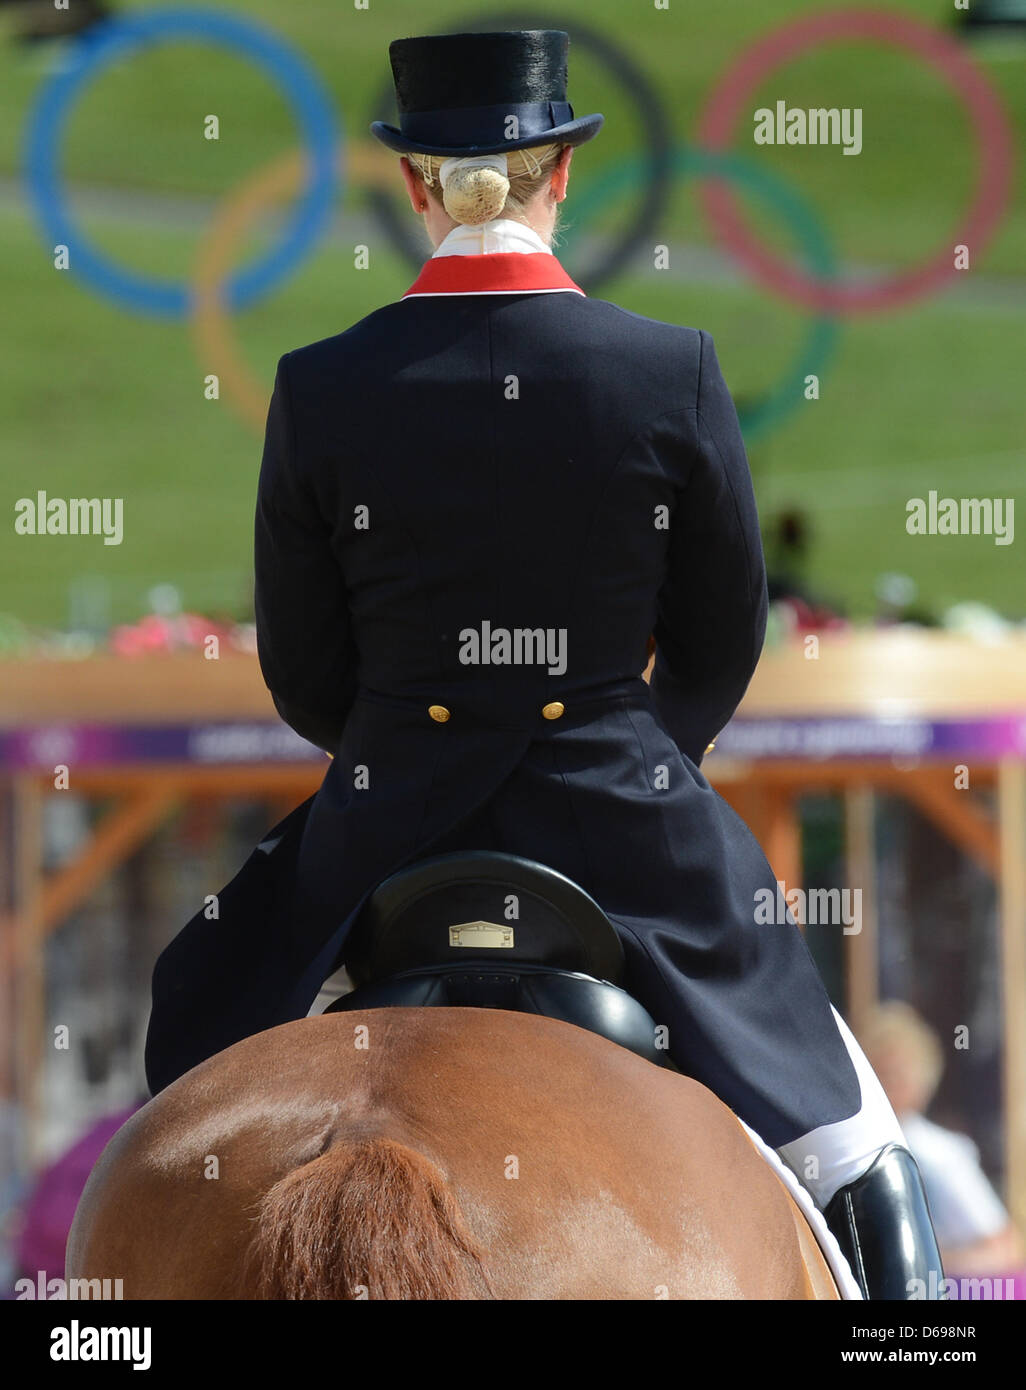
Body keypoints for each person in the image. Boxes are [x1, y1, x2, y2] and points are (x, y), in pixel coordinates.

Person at [145, 28, 943, 1299]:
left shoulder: (320, 385)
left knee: (180, 1082)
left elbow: (303, 675)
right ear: (560, 171)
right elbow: (723, 636)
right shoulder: (666, 370)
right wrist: (637, 757)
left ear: (415, 185)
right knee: (865, 1158)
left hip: (382, 830)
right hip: (628, 823)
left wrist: (408, 746)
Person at [861, 1002, 1025, 1297]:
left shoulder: (938, 1155)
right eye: (878, 1071)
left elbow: (1004, 1248)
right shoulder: (860, 1145)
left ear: (921, 1081)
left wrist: (923, 1264)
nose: (887, 1084)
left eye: (897, 1073)